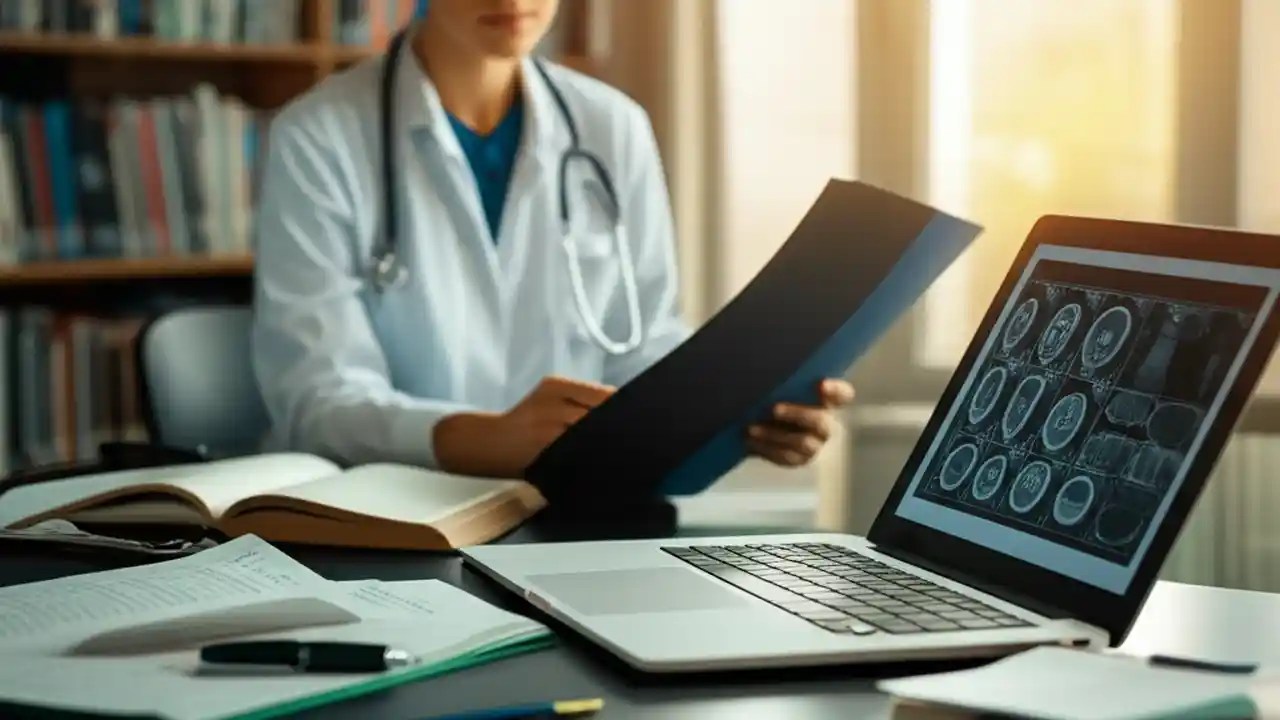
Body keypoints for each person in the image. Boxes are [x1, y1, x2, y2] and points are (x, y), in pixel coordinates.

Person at [251, 0, 855, 480]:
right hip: (384, 512)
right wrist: (484, 438)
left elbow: (640, 347)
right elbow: (317, 403)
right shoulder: (318, 136)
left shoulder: (611, 127)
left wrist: (739, 415)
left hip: (571, 503)